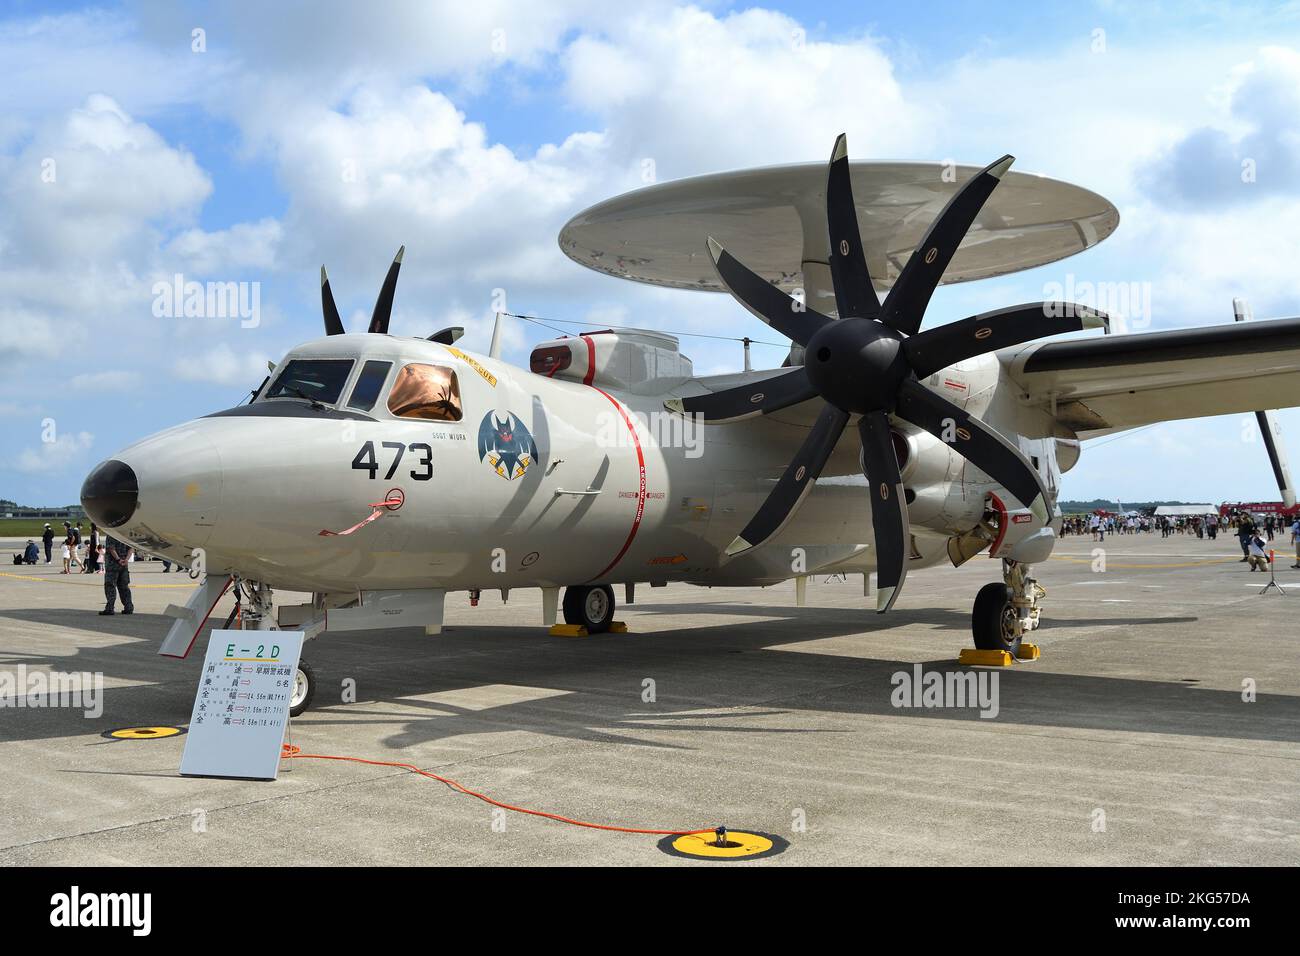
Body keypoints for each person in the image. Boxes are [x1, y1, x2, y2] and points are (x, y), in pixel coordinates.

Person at [99, 536, 134, 615]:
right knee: (124, 587)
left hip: (113, 565)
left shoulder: (112, 534)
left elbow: (111, 548)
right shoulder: (125, 533)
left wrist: (118, 559)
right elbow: (131, 548)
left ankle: (110, 608)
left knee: (110, 586)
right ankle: (128, 607)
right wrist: (126, 560)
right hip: (124, 565)